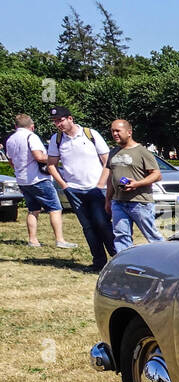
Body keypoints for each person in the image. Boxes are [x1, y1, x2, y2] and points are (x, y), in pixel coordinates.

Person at [45, 105, 115, 272]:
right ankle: (98, 262)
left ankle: (117, 258)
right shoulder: (57, 139)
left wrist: (100, 185)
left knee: (102, 223)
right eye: (55, 121)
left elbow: (107, 161)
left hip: (96, 188)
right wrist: (64, 186)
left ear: (70, 118)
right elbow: (51, 165)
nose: (58, 124)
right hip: (74, 190)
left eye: (60, 120)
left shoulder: (90, 134)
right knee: (88, 227)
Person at [5, 114, 69, 249]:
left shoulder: (10, 139)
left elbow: (11, 162)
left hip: (22, 180)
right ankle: (60, 240)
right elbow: (39, 156)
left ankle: (33, 240)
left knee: (33, 209)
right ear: (32, 127)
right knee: (55, 208)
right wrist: (54, 158)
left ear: (16, 126)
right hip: (38, 178)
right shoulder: (31, 137)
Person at [105, 119, 164, 249]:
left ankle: (166, 259)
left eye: (118, 131)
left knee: (152, 236)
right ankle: (124, 264)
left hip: (139, 203)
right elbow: (111, 177)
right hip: (118, 202)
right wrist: (108, 199)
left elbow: (157, 175)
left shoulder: (142, 151)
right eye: (112, 131)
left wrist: (137, 184)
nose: (115, 134)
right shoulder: (113, 152)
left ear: (129, 132)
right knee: (121, 236)